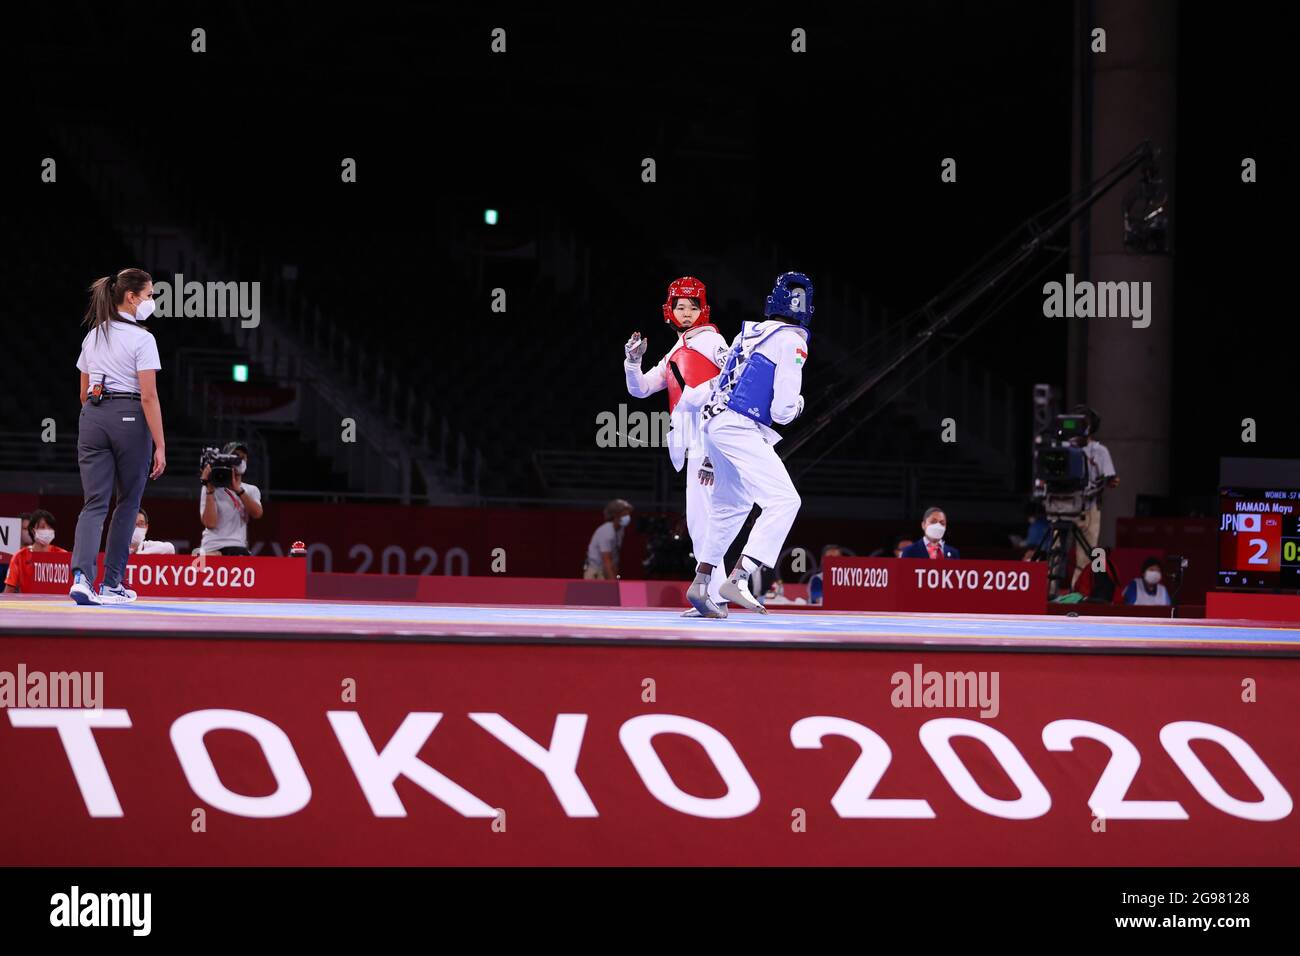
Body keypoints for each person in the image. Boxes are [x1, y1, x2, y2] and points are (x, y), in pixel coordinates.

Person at [685, 271, 812, 616]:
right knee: (785, 500)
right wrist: (799, 404)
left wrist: (712, 455)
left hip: (714, 425)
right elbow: (782, 411)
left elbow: (720, 386)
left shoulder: (749, 333)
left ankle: (701, 583)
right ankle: (739, 578)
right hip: (739, 427)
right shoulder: (793, 340)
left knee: (732, 505)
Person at [624, 276, 731, 615]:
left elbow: (734, 374)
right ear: (669, 310)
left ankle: (714, 593)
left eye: (693, 307)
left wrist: (715, 445)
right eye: (680, 307)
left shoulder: (711, 339)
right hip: (696, 437)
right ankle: (714, 594)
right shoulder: (677, 348)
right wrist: (632, 361)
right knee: (703, 519)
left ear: (704, 310)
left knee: (705, 518)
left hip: (710, 435)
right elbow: (640, 389)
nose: (686, 313)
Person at [69, 269, 166, 606]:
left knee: (93, 503)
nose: (151, 302)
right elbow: (149, 397)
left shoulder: (94, 335)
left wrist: (100, 416)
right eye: (150, 295)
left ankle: (82, 579)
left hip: (92, 417)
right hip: (130, 417)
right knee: (127, 504)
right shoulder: (143, 339)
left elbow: (83, 392)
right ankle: (112, 583)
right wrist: (161, 445)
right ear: (131, 297)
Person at [1070, 405, 1119, 587]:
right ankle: (1046, 593)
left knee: (1087, 555)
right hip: (1064, 504)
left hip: (1090, 507)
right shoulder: (1064, 448)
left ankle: (1078, 593)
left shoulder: (1100, 451)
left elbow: (1111, 479)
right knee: (1056, 550)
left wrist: (1110, 480)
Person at [199, 442, 264, 555]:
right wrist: (209, 489)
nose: (240, 460)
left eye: (243, 458)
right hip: (212, 547)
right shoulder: (211, 487)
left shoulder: (251, 490)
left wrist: (238, 490)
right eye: (235, 456)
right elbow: (210, 524)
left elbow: (257, 513)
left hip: (238, 547)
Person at [3, 510, 68, 594]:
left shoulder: (63, 555)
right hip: (28, 605)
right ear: (33, 530)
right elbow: (8, 592)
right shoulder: (19, 557)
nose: (47, 530)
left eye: (50, 527)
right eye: (43, 527)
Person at [583, 499, 633, 579]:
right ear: (615, 514)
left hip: (608, 571)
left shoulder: (620, 530)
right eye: (625, 513)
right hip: (596, 573)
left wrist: (616, 576)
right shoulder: (607, 531)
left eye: (628, 513)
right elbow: (606, 560)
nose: (628, 516)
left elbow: (614, 556)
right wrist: (614, 583)